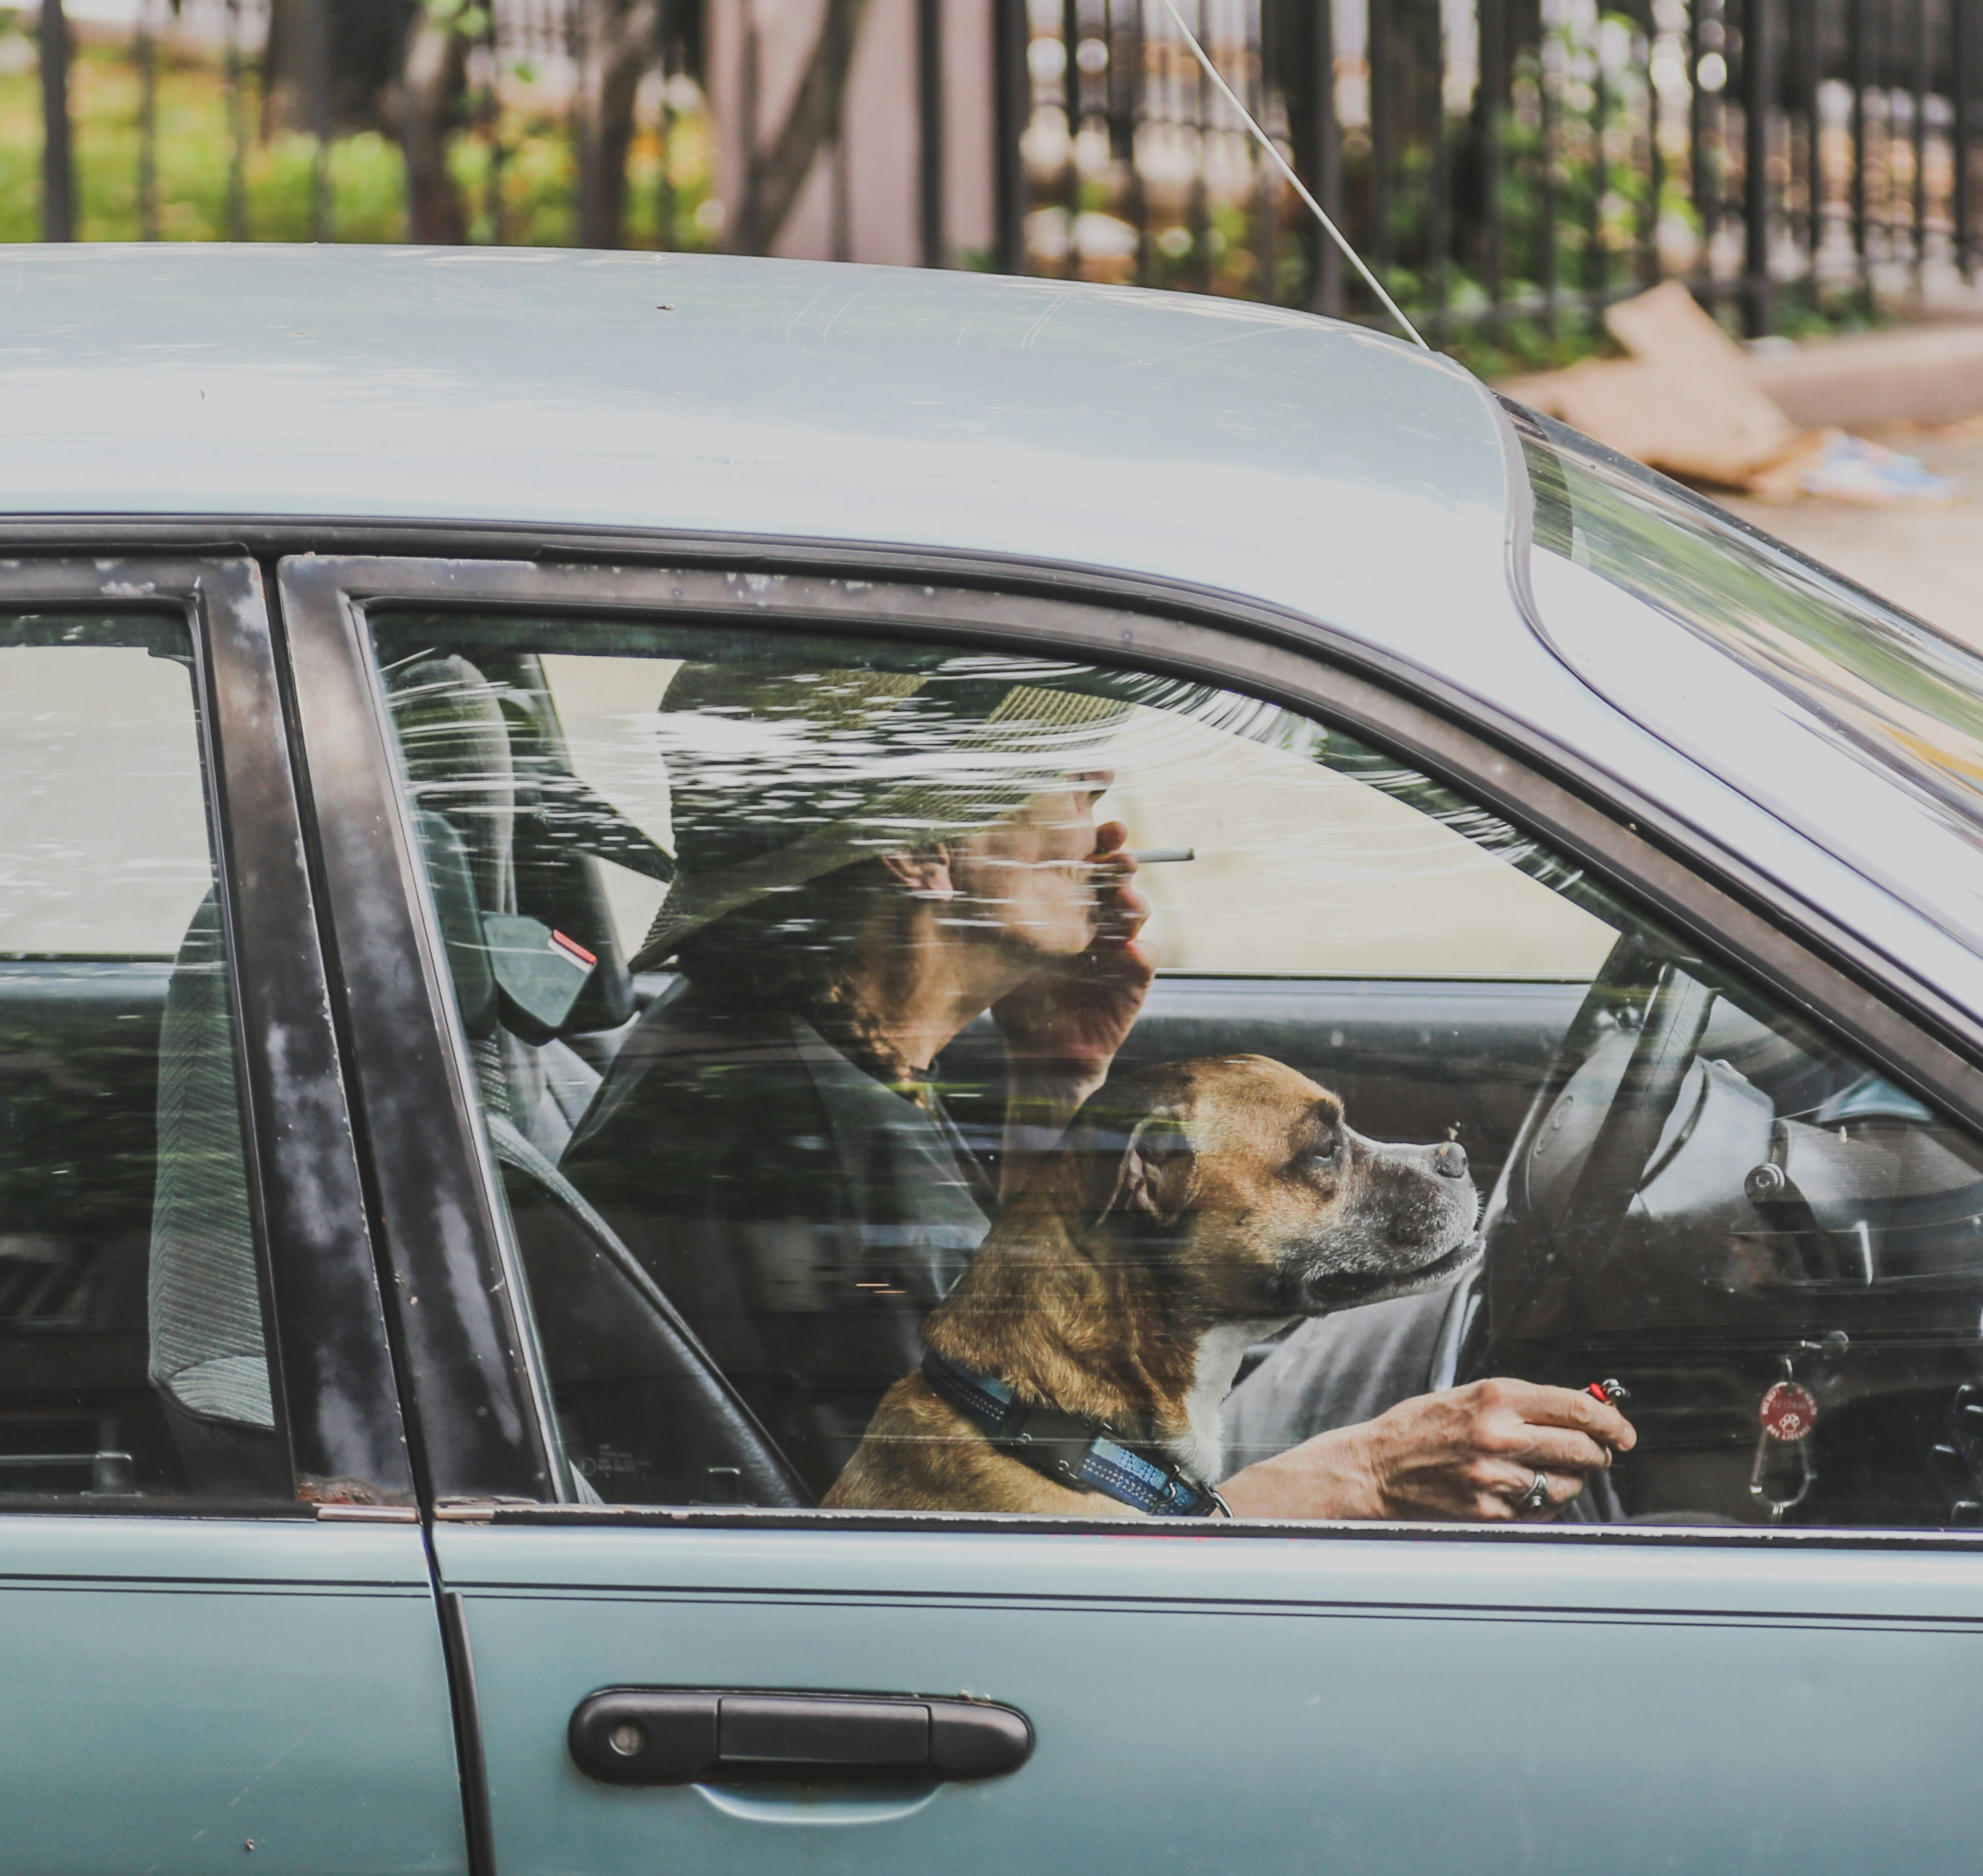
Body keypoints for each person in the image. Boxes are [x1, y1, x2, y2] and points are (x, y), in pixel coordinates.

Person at [555, 646, 1631, 1519]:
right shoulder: (797, 1149)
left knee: (1441, 1325)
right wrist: (1357, 1479)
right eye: (1056, 766)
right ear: (923, 853)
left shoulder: (802, 1059)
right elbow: (954, 1524)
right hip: (1091, 1566)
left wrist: (1056, 1073)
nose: (1095, 790)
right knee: (1480, 1349)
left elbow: (1033, 1363)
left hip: (1118, 1474)